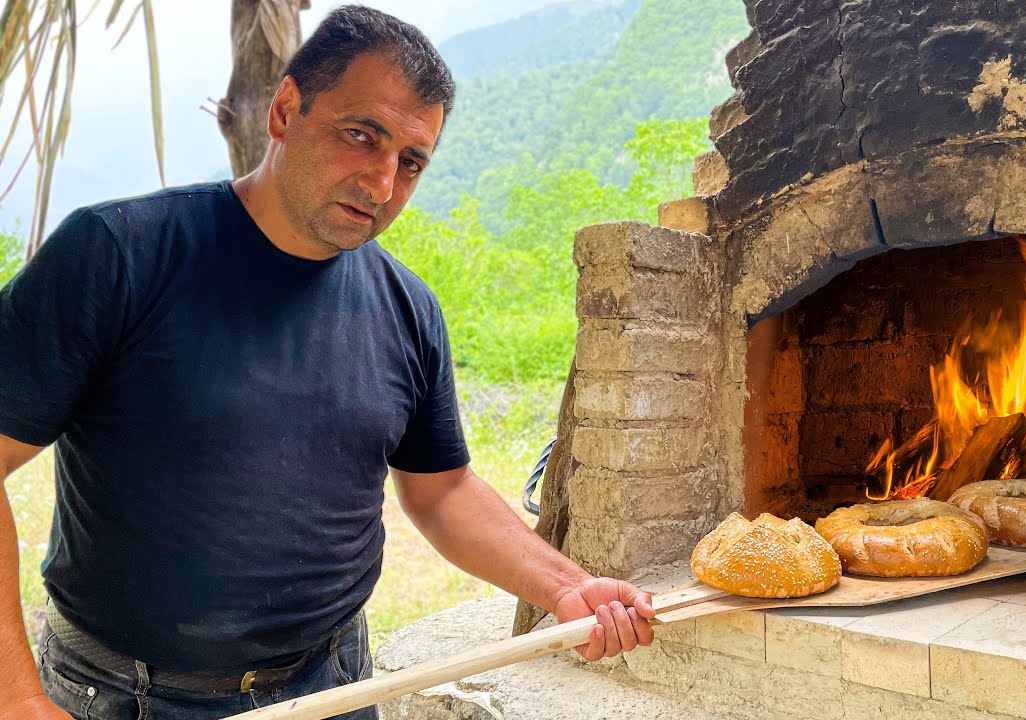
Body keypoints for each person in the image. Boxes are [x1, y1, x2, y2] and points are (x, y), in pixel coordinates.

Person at [0, 7, 654, 720]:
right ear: (285, 110)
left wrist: (566, 586)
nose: (381, 183)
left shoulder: (407, 308)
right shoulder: (118, 255)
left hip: (335, 687)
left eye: (411, 161)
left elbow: (441, 492)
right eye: (360, 135)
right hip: (128, 695)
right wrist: (16, 699)